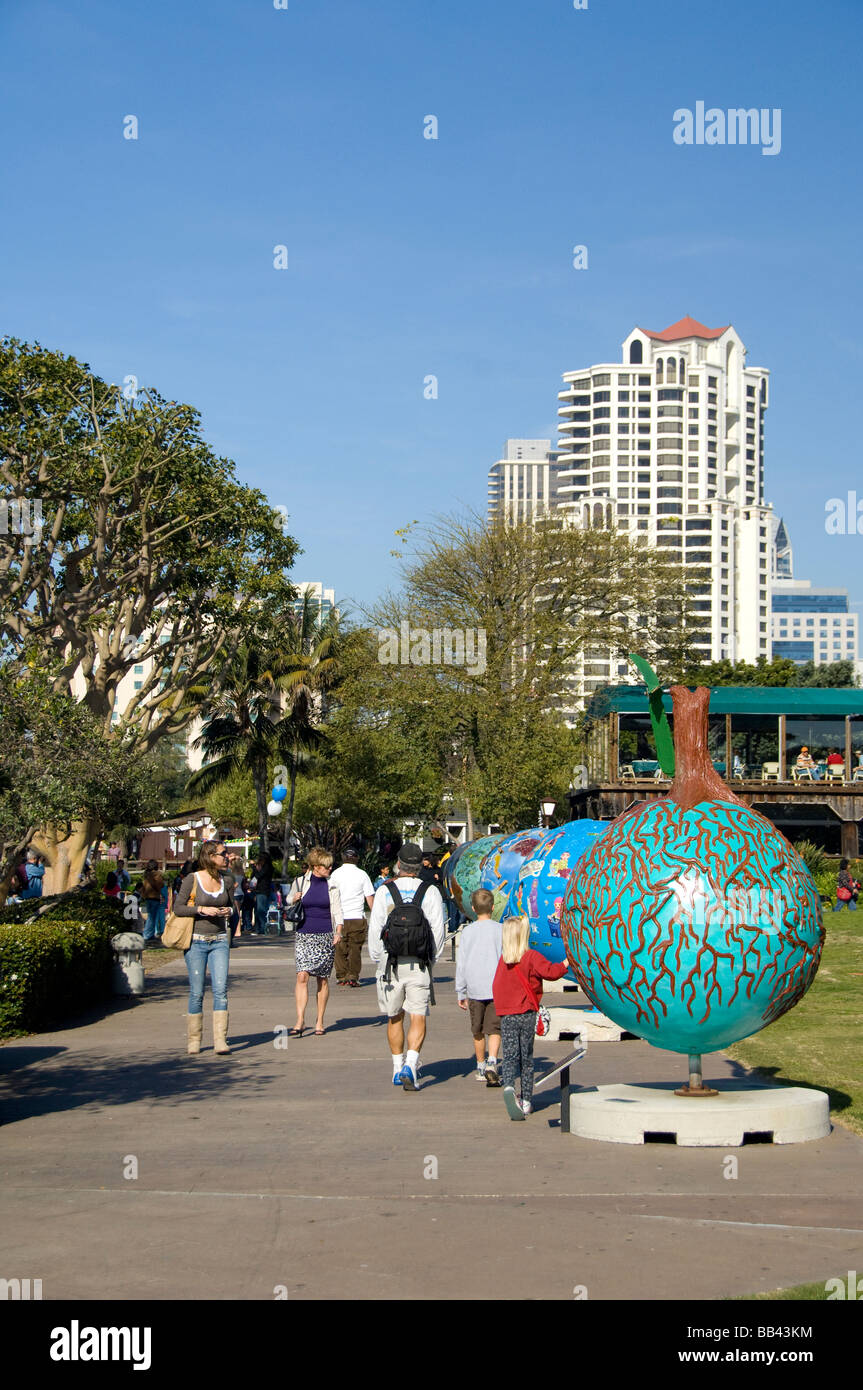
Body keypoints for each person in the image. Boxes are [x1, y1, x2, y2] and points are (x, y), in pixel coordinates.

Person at [368, 842, 446, 1091]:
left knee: (394, 1017)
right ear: (419, 866)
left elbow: (376, 928)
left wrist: (378, 959)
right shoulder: (430, 891)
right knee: (418, 1016)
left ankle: (396, 1066)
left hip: (390, 963)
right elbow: (438, 930)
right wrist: (430, 959)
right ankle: (411, 1064)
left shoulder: (384, 890)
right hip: (419, 963)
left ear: (398, 865)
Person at [493, 916, 567, 1120]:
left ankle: (509, 1086)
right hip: (526, 1013)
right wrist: (566, 963)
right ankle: (526, 1100)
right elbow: (550, 972)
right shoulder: (531, 956)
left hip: (507, 1014)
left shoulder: (504, 960)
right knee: (526, 1059)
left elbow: (497, 987)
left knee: (509, 1057)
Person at [172, 839, 234, 1055]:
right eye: (222, 853)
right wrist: (201, 909)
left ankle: (220, 1040)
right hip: (196, 941)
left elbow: (232, 907)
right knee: (197, 992)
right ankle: (194, 1040)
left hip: (219, 941)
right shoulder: (193, 879)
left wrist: (228, 912)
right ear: (210, 857)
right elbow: (178, 907)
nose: (226, 857)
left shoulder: (227, 880)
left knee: (221, 991)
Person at [288, 846, 344, 1036]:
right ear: (315, 866)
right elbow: (288, 900)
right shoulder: (300, 882)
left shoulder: (332, 885)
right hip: (304, 933)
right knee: (302, 975)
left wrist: (338, 932)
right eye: (325, 866)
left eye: (330, 866)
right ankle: (300, 1020)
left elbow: (337, 910)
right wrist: (293, 898)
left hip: (325, 934)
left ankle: (320, 1021)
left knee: (322, 979)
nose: (329, 869)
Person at [455, 889, 503, 1086]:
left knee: (477, 1029)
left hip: (474, 987)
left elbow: (462, 962)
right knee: (494, 1028)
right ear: (493, 907)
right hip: (497, 987)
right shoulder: (501, 929)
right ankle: (493, 1060)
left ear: (473, 909)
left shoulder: (467, 931)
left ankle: (480, 1064)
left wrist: (460, 990)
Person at [329, 848, 375, 987]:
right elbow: (369, 897)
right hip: (356, 917)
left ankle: (341, 976)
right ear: (356, 858)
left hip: (339, 918)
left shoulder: (335, 874)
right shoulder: (362, 875)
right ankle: (353, 976)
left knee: (339, 948)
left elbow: (329, 895)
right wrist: (377, 915)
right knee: (355, 949)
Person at [139, 860, 165, 946]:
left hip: (148, 897)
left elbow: (144, 886)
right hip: (154, 897)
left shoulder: (146, 874)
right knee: (152, 917)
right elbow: (160, 885)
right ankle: (146, 935)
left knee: (151, 916)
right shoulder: (157, 874)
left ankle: (150, 934)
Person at [252, 853, 275, 935]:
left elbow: (258, 876)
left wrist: (254, 868)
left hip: (263, 890)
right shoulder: (266, 867)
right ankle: (258, 928)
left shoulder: (267, 867)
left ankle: (262, 928)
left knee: (261, 910)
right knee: (258, 910)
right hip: (260, 890)